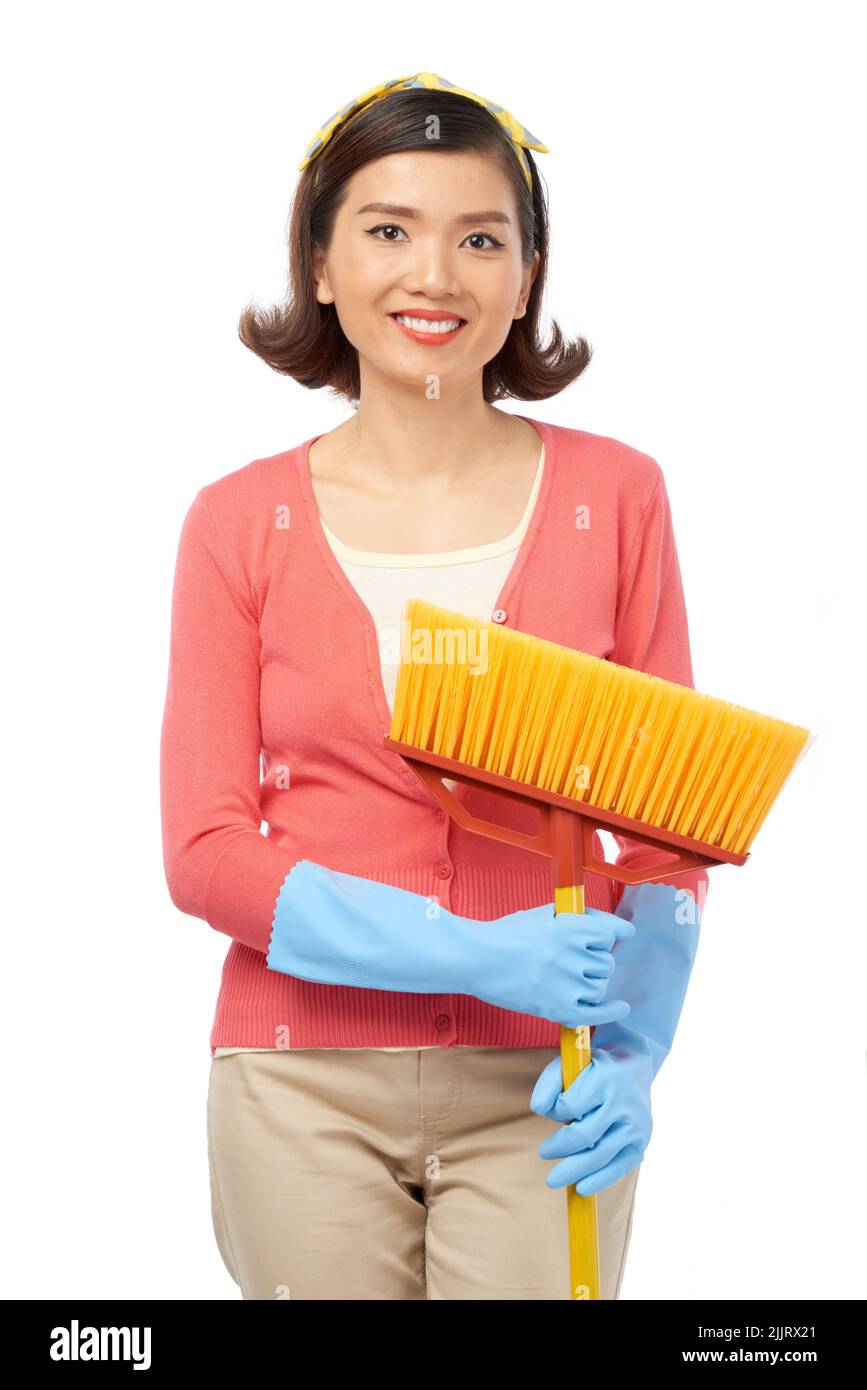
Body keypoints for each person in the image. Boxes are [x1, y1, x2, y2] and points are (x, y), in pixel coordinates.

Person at [160, 71, 708, 1301]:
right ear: (318, 263)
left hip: (547, 1082)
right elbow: (203, 850)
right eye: (389, 229)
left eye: (481, 239)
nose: (436, 275)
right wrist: (465, 950)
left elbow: (672, 828)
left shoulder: (617, 497)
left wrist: (634, 1051)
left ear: (526, 277)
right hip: (298, 1079)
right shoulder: (237, 524)